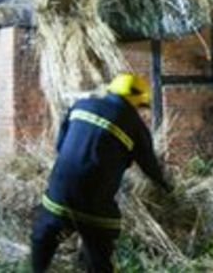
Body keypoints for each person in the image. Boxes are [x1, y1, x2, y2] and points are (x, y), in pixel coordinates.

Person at [31, 73, 171, 272]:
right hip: (94, 201)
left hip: (59, 191)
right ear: (136, 100)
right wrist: (167, 188)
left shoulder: (81, 105)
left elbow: (60, 145)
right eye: (140, 106)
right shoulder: (135, 126)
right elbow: (150, 167)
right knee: (101, 240)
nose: (140, 111)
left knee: (44, 236)